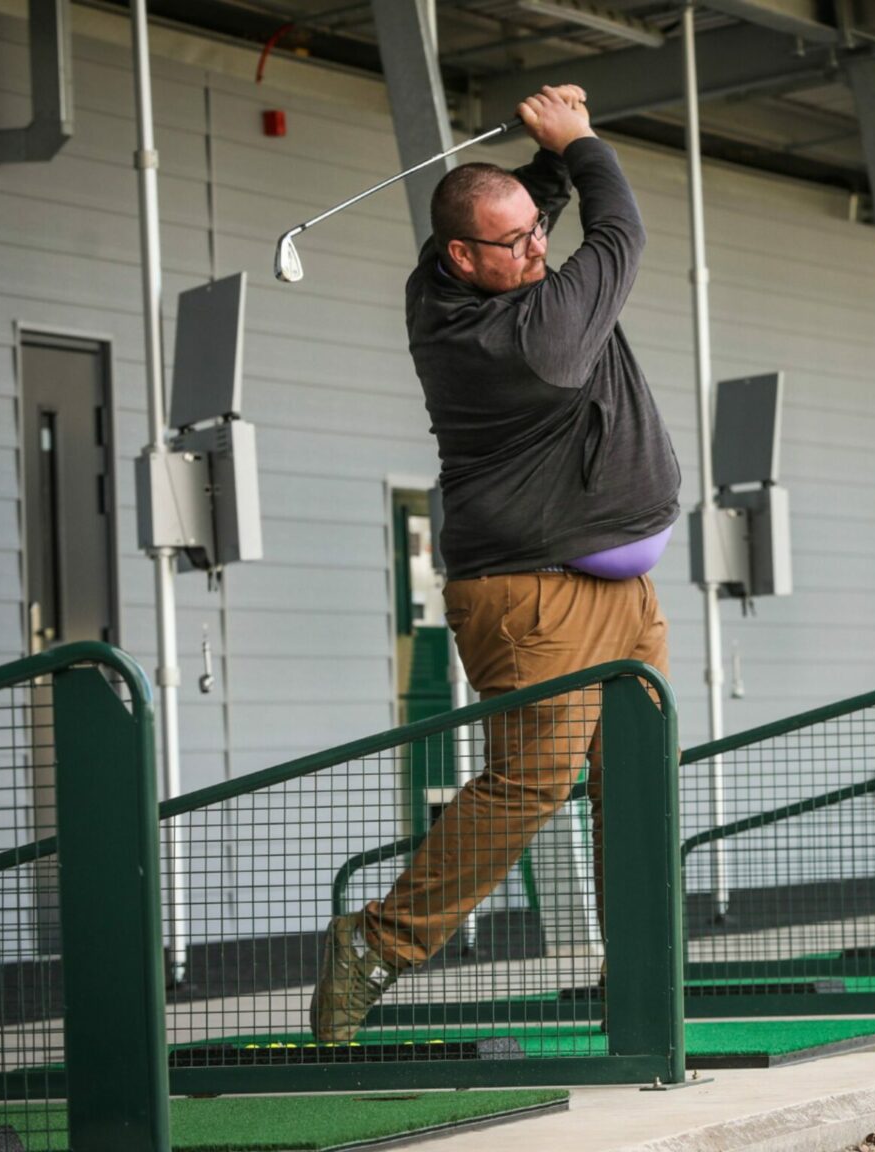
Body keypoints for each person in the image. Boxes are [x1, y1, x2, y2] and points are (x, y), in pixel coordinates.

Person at [311, 84, 680, 1042]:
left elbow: (535, 209)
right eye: (511, 244)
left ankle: (636, 969)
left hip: (619, 590)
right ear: (459, 257)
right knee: (532, 780)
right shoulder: (527, 338)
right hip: (531, 591)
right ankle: (378, 945)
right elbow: (621, 235)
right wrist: (583, 143)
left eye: (531, 233)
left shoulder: (456, 274)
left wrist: (545, 162)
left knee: (636, 778)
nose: (534, 250)